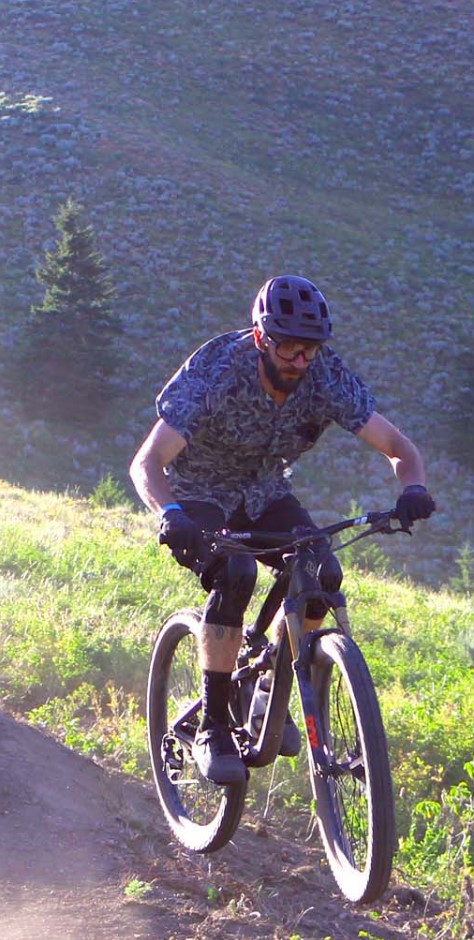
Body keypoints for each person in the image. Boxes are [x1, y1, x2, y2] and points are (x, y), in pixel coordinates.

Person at [128, 275, 437, 785]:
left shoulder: (324, 377)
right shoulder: (217, 370)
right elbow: (148, 462)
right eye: (289, 348)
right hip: (198, 493)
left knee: (321, 571)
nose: (299, 360)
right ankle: (213, 725)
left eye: (309, 350)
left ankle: (268, 692)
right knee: (235, 571)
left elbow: (400, 448)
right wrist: (170, 514)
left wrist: (413, 489)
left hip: (265, 492)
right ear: (261, 337)